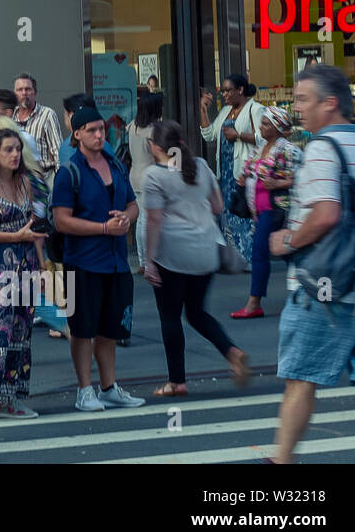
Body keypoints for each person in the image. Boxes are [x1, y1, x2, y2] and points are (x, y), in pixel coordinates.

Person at [268, 65, 355, 464]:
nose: (297, 109)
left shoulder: (320, 148)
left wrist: (287, 241)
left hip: (325, 287)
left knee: (300, 379)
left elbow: (326, 213)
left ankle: (281, 459)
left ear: (330, 103)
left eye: (302, 100)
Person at [143, 120, 250, 398]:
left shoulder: (154, 176)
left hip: (173, 254)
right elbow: (218, 206)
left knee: (170, 316)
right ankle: (232, 351)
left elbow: (153, 221)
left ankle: (176, 381)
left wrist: (149, 260)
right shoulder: (200, 165)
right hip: (206, 250)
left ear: (155, 147)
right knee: (197, 312)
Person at [50, 106, 146, 412]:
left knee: (110, 330)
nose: (99, 134)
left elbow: (133, 204)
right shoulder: (69, 171)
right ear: (76, 134)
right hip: (83, 261)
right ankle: (84, 389)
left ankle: (108, 386)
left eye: (101, 129)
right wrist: (103, 228)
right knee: (82, 330)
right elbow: (61, 221)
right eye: (91, 130)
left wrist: (127, 218)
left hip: (117, 262)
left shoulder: (115, 165)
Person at [0, 129, 47, 418]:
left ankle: (10, 398)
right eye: (8, 150)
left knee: (21, 335)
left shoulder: (26, 182)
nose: (15, 155)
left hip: (25, 265)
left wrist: (41, 264)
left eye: (17, 149)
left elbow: (34, 227)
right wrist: (15, 236)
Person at [233, 106, 300, 319]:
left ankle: (254, 303)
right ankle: (309, 288)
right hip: (260, 210)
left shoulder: (289, 150)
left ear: (278, 127)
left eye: (265, 123)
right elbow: (249, 171)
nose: (261, 127)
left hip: (277, 209)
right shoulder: (260, 148)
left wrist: (278, 182)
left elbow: (301, 178)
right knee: (289, 252)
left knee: (259, 251)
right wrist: (244, 179)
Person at [199, 74, 264, 263]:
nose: (224, 94)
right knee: (228, 215)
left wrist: (239, 135)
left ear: (240, 90)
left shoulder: (255, 109)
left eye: (228, 90)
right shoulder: (225, 111)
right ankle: (233, 259)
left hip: (244, 173)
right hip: (226, 172)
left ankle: (249, 258)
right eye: (223, 91)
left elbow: (265, 137)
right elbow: (209, 135)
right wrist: (203, 109)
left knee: (244, 215)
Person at [125, 93, 164, 273]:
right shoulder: (153, 131)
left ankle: (142, 261)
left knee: (140, 220)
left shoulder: (132, 127)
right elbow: (157, 156)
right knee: (147, 220)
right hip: (149, 176)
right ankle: (148, 262)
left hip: (134, 174)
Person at [13, 72, 63, 185]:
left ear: (35, 93)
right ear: (14, 94)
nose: (24, 93)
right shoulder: (10, 117)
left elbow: (57, 152)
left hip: (44, 178)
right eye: (19, 90)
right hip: (18, 181)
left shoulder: (47, 114)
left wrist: (60, 183)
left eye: (28, 89)